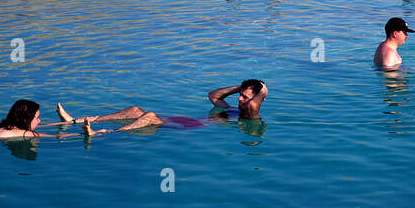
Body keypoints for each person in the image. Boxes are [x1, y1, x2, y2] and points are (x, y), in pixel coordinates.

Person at [55, 81, 269, 137]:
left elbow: (253, 103)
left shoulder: (250, 115)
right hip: (187, 120)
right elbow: (212, 95)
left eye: (244, 97)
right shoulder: (232, 108)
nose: (241, 99)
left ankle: (103, 134)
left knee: (149, 117)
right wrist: (239, 88)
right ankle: (75, 120)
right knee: (134, 109)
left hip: (190, 128)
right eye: (241, 95)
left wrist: (262, 91)